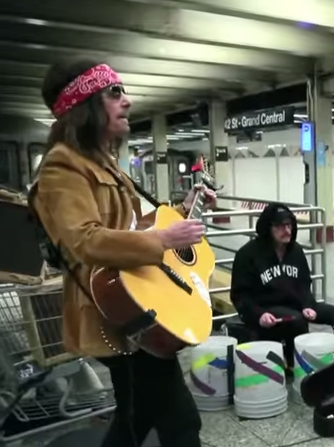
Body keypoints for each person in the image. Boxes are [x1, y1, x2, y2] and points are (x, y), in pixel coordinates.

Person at [30, 60, 216, 447]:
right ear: (84, 105)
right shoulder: (62, 166)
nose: (127, 101)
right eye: (114, 93)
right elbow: (84, 239)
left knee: (137, 416)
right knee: (180, 421)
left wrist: (184, 211)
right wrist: (164, 241)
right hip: (112, 312)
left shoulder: (106, 163)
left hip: (137, 305)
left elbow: (135, 226)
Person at [230, 203, 334, 366]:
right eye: (280, 226)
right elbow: (240, 295)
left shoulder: (295, 251)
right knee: (297, 321)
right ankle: (298, 367)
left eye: (289, 225)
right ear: (267, 228)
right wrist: (258, 315)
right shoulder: (247, 254)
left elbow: (304, 284)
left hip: (296, 305)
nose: (287, 231)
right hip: (266, 309)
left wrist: (308, 305)